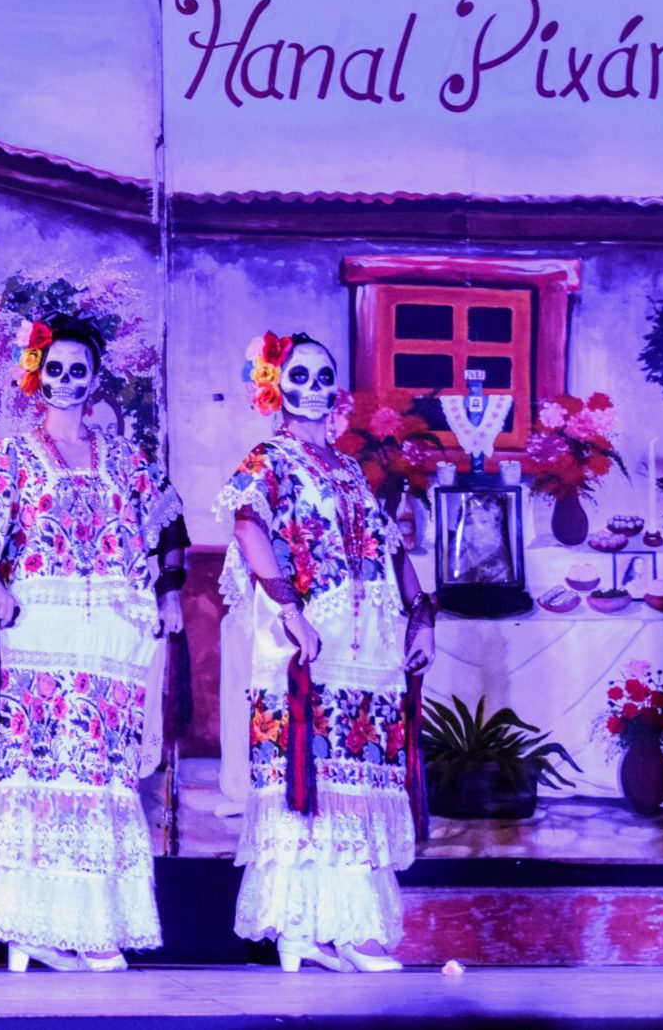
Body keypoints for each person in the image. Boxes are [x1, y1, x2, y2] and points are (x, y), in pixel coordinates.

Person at [0, 313, 187, 973]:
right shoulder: (16, 455)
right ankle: (30, 930)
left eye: (80, 369)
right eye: (56, 368)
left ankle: (90, 926)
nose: (68, 379)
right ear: (38, 375)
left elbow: (171, 525)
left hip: (110, 635)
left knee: (101, 773)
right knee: (45, 771)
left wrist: (170, 590)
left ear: (95, 377)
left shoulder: (124, 458)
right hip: (42, 630)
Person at [218, 331, 434, 974]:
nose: (313, 389)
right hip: (309, 640)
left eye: (323, 377)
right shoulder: (270, 458)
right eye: (299, 376)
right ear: (274, 385)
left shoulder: (349, 469)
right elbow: (248, 524)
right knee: (310, 781)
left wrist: (422, 619)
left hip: (367, 647)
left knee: (354, 780)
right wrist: (290, 610)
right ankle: (307, 929)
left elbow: (390, 547)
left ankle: (331, 930)